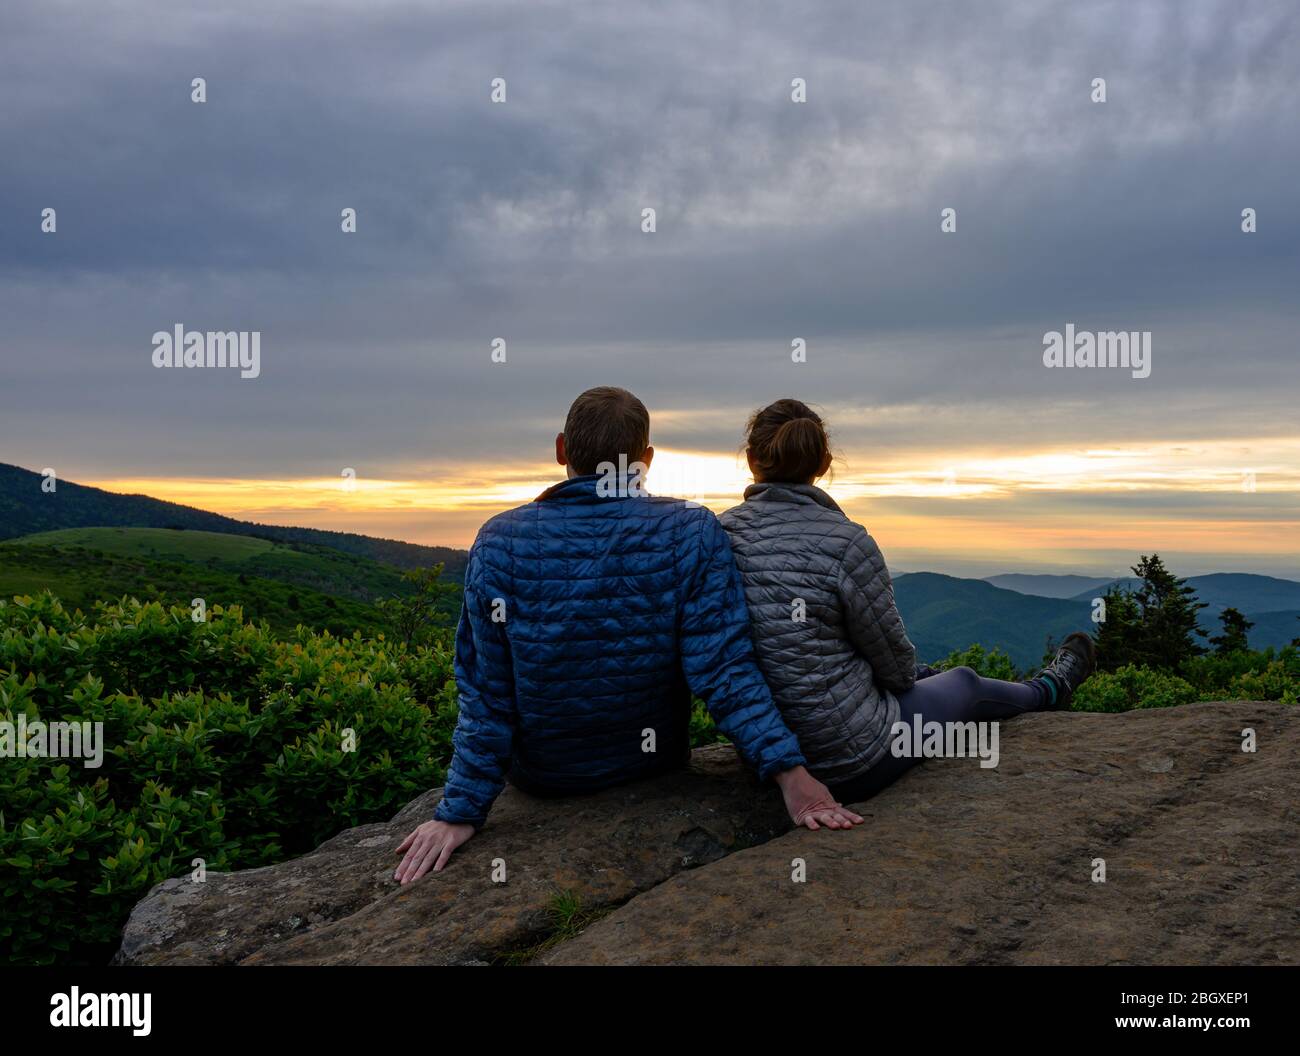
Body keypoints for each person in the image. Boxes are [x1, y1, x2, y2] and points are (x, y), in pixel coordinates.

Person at [395, 387, 862, 882]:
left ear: (561, 451)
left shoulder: (499, 541)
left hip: (547, 778)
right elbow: (724, 669)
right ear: (646, 460)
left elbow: (486, 692)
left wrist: (459, 812)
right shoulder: (690, 531)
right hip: (653, 765)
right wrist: (790, 774)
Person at [718, 398, 1097, 805]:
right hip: (853, 762)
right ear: (824, 464)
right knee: (964, 683)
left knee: (928, 676)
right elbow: (896, 672)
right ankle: (1049, 690)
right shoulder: (847, 543)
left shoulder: (717, 536)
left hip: (764, 760)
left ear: (752, 458)